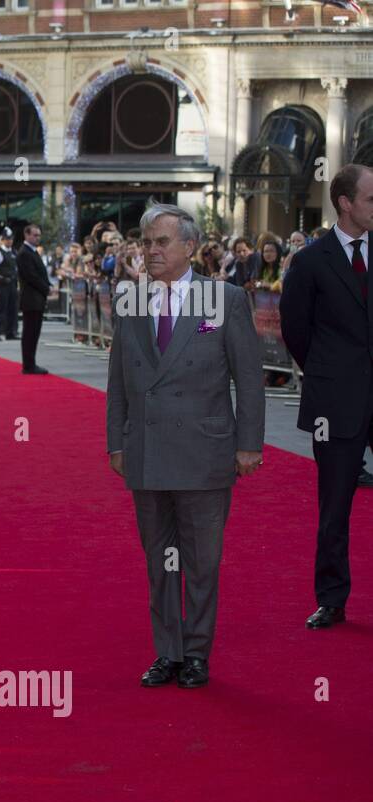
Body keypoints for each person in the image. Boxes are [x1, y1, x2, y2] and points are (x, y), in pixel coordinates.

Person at [106, 203, 265, 688]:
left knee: (200, 562)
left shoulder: (226, 299)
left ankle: (197, 653)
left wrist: (249, 444)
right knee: (160, 561)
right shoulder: (129, 301)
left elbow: (250, 379)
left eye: (161, 242)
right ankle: (168, 652)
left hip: (205, 452)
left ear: (189, 248)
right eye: (146, 242)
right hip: (148, 452)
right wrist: (117, 441)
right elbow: (119, 380)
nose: (150, 251)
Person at [280, 163, 373, 629]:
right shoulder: (312, 261)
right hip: (335, 403)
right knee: (334, 506)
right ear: (345, 203)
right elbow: (295, 330)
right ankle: (332, 599)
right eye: (371, 199)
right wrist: (327, 372)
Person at [17, 223, 52, 375]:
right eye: (35, 235)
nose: (38, 238)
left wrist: (47, 285)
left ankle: (30, 363)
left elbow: (40, 274)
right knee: (30, 333)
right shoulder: (25, 253)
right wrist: (47, 288)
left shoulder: (32, 252)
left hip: (36, 298)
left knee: (33, 332)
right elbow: (31, 276)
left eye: (39, 235)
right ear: (27, 235)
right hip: (31, 298)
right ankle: (28, 365)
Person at [0, 227, 19, 341]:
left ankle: (11, 332)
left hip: (12, 284)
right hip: (2, 284)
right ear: (2, 239)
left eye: (11, 239)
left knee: (13, 308)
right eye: (7, 239)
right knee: (0, 309)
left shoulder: (14, 252)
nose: (9, 241)